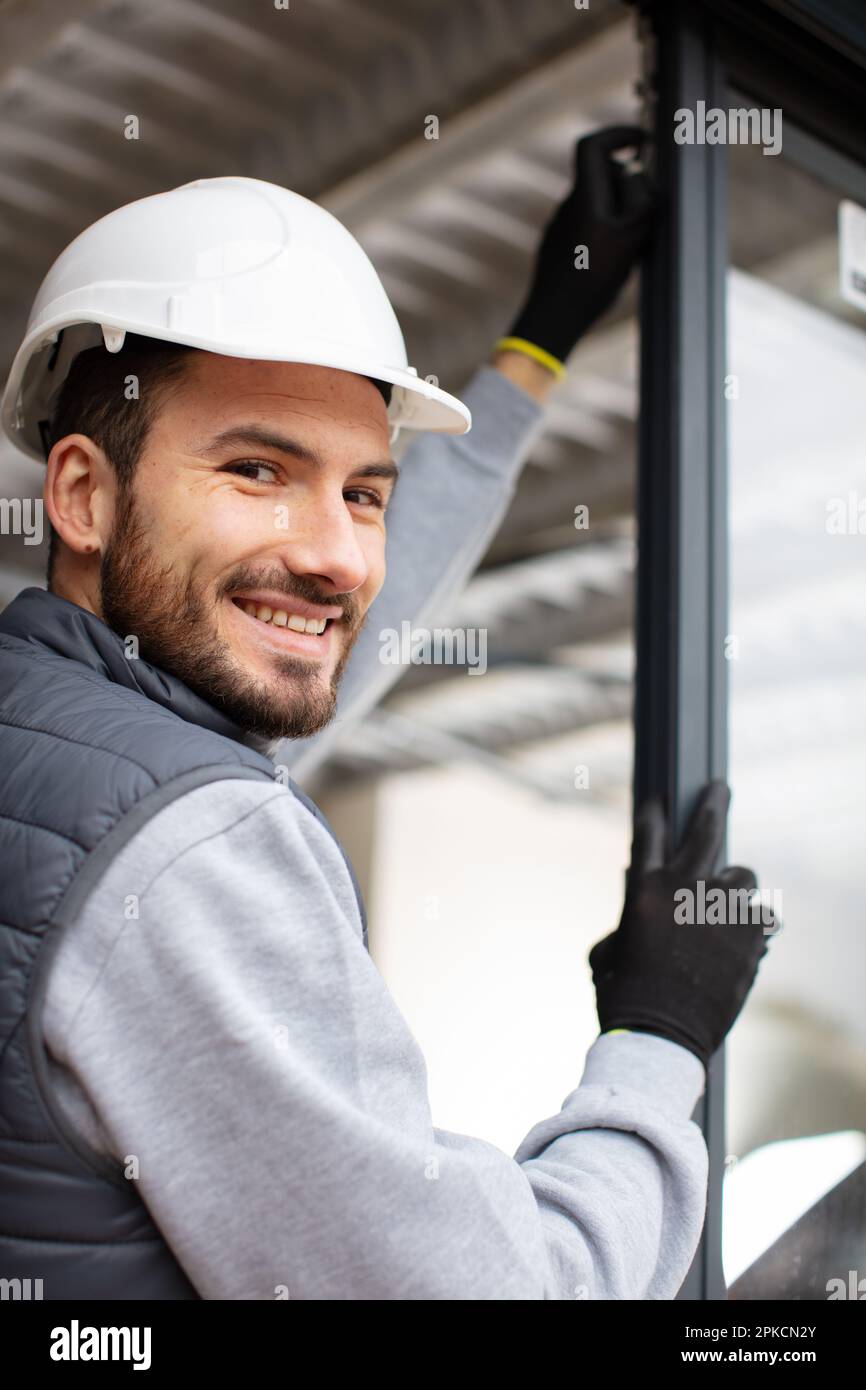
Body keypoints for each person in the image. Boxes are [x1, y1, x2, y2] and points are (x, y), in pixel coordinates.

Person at [0, 130, 774, 1300]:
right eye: (255, 470)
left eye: (363, 491)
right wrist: (656, 1042)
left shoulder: (53, 729)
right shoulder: (189, 849)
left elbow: (294, 632)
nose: (333, 556)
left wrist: (537, 343)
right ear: (82, 495)